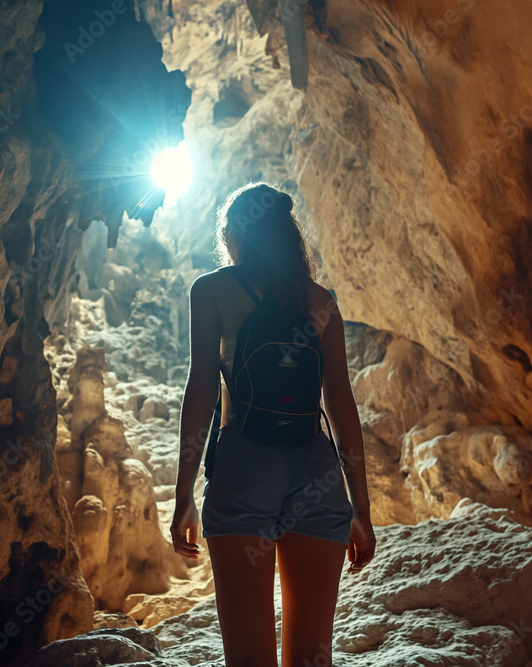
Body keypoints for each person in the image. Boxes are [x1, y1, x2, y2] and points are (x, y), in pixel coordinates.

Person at [171, 181, 376, 667]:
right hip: (316, 469)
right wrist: (361, 508)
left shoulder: (211, 289)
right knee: (311, 657)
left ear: (233, 236)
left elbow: (201, 389)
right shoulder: (320, 299)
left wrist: (184, 496)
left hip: (244, 465)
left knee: (249, 659)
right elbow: (340, 402)